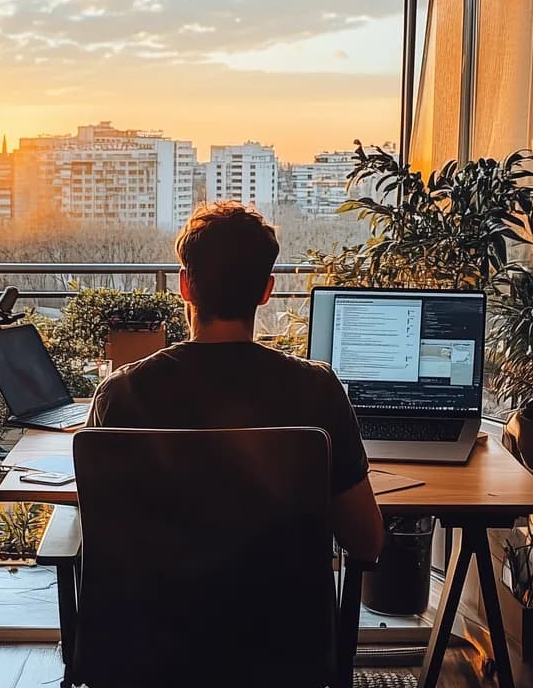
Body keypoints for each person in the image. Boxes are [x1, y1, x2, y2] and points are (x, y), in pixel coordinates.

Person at [86, 201, 384, 561]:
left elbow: (101, 527)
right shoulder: (317, 390)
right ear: (266, 291)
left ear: (185, 286)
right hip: (284, 617)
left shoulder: (121, 393)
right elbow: (367, 542)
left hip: (154, 616)